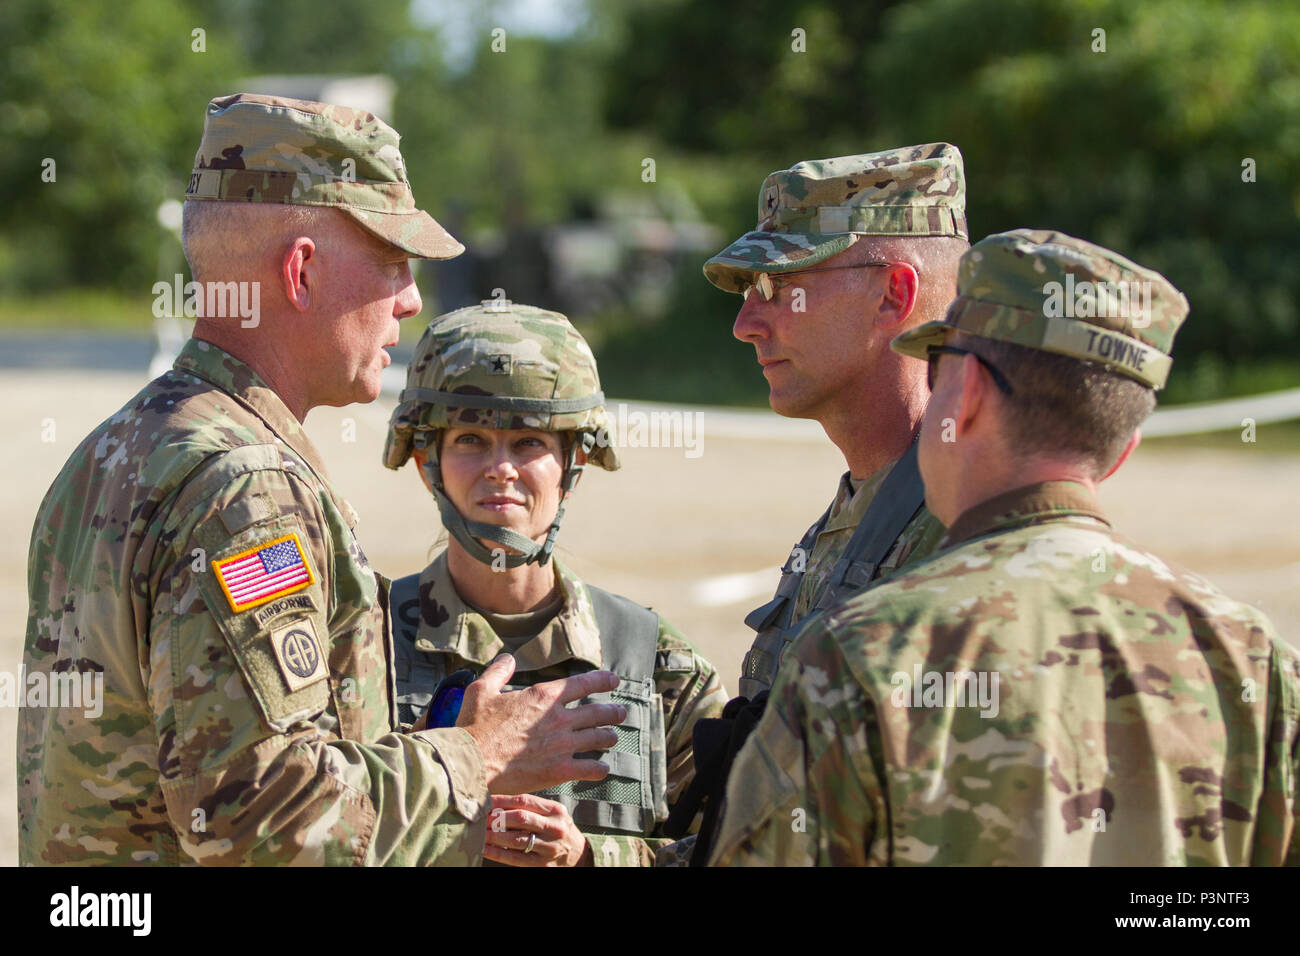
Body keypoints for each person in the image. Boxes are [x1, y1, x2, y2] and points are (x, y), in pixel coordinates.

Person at [17, 93, 626, 866]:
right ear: (301, 271)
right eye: (391, 263)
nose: (409, 299)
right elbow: (268, 819)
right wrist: (477, 753)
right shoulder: (246, 488)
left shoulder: (116, 449)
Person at [709, 229, 1300, 866]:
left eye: (938, 369)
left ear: (965, 397)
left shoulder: (858, 660)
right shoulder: (1254, 662)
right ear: (1120, 450)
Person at [663, 145, 971, 861]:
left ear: (894, 295)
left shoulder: (962, 537)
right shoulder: (856, 517)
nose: (746, 323)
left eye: (781, 287)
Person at [382, 300, 727, 866]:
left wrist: (593, 857)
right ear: (428, 462)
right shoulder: (363, 643)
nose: (501, 468)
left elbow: (746, 848)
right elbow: (290, 828)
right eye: (470, 439)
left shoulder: (655, 668)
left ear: (573, 464)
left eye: (529, 442)